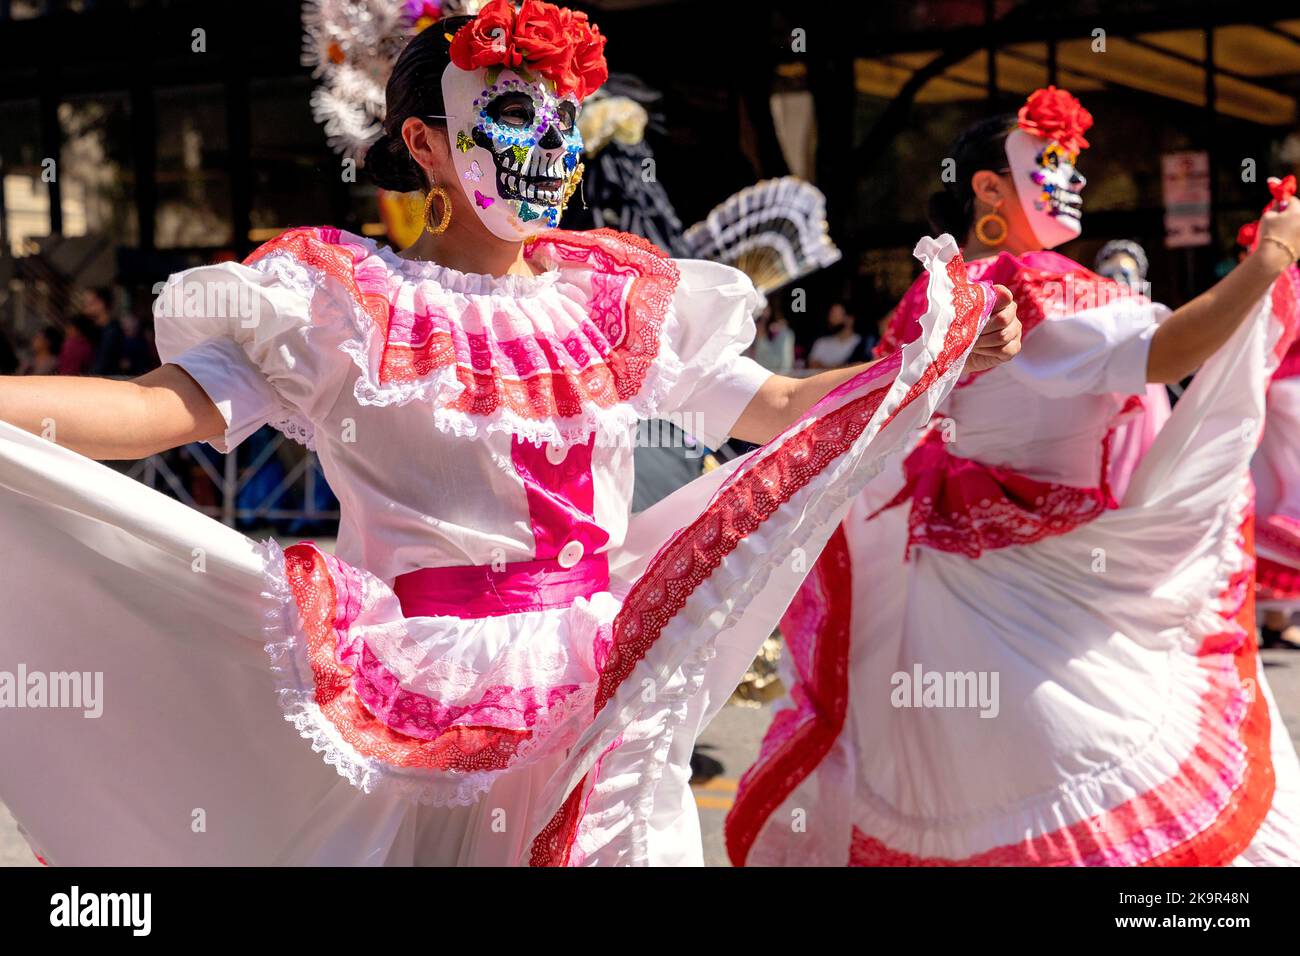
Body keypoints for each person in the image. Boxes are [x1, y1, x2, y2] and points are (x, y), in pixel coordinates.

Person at [0, 2, 1020, 867]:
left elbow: (781, 408)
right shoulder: (339, 301)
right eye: (514, 113)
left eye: (566, 117)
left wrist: (941, 355)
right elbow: (149, 412)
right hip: (432, 694)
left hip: (606, 674)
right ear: (423, 144)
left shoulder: (615, 299)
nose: (549, 145)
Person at [728, 87, 1300, 867]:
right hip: (1033, 611)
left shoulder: (936, 299)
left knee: (970, 804)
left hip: (938, 596)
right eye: (1049, 161)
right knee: (1083, 805)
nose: (1071, 178)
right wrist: (1269, 259)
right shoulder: (1027, 285)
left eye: (1073, 162)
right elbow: (1167, 352)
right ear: (989, 189)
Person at [806, 301, 863, 368]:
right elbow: (812, 365)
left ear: (850, 319)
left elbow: (859, 366)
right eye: (831, 315)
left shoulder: (861, 342)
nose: (832, 319)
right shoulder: (822, 342)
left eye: (836, 315)